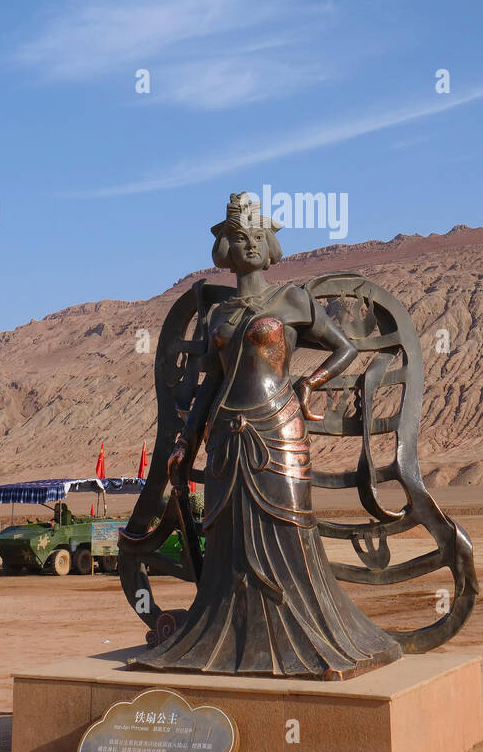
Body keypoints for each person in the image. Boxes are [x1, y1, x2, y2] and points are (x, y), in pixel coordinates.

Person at [139, 193, 402, 679]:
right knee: (229, 536)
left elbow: (344, 348)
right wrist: (184, 442)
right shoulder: (217, 316)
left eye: (260, 236)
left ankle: (306, 638)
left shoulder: (293, 300)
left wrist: (309, 383)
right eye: (241, 238)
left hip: (277, 425)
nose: (252, 245)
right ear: (226, 249)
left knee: (287, 530)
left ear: (271, 243)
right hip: (226, 434)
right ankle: (230, 640)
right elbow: (208, 385)